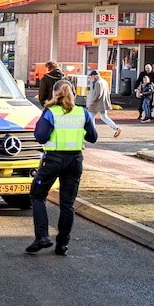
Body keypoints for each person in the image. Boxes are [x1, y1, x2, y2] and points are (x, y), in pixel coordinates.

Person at [26, 80, 98, 255]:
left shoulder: (51, 112)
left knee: (37, 195)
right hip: (75, 161)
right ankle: (63, 244)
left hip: (53, 160)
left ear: (54, 94)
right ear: (73, 93)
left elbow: (40, 137)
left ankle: (42, 236)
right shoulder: (82, 112)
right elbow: (93, 137)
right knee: (68, 204)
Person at [86, 70, 120, 137]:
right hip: (103, 103)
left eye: (92, 76)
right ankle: (116, 128)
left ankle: (92, 132)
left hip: (97, 104)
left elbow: (98, 94)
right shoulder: (104, 81)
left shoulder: (97, 83)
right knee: (104, 117)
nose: (91, 77)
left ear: (95, 76)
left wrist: (92, 102)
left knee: (91, 116)